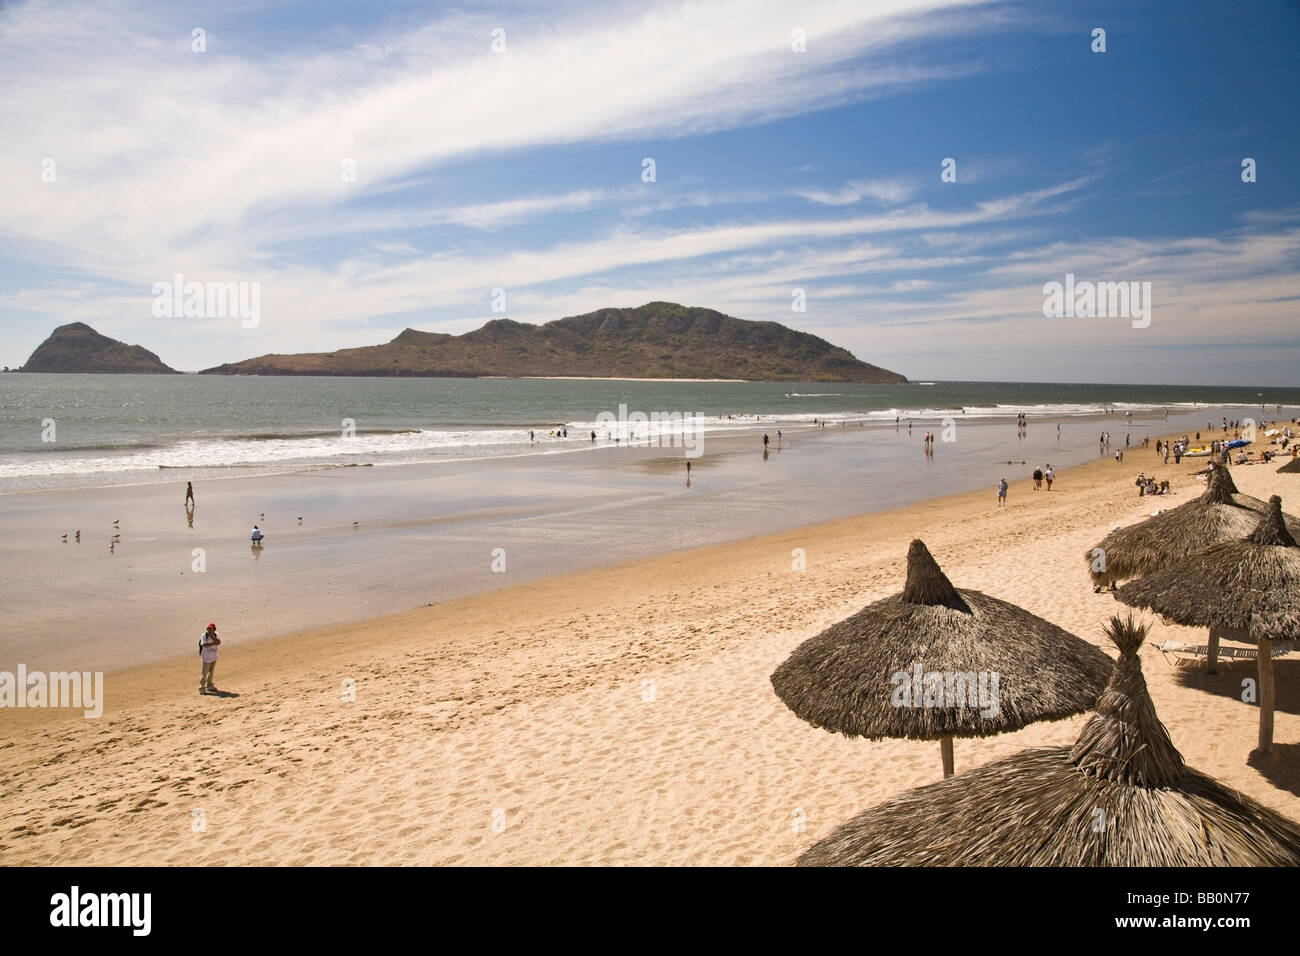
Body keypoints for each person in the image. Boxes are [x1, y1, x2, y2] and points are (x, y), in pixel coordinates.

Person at [199, 623, 221, 695]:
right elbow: (204, 645)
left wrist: (212, 638)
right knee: (204, 673)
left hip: (214, 656)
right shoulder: (204, 635)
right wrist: (213, 643)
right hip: (206, 657)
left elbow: (218, 642)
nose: (209, 630)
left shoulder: (216, 635)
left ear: (214, 630)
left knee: (211, 672)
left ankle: (209, 685)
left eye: (211, 629)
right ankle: (202, 687)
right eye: (208, 629)